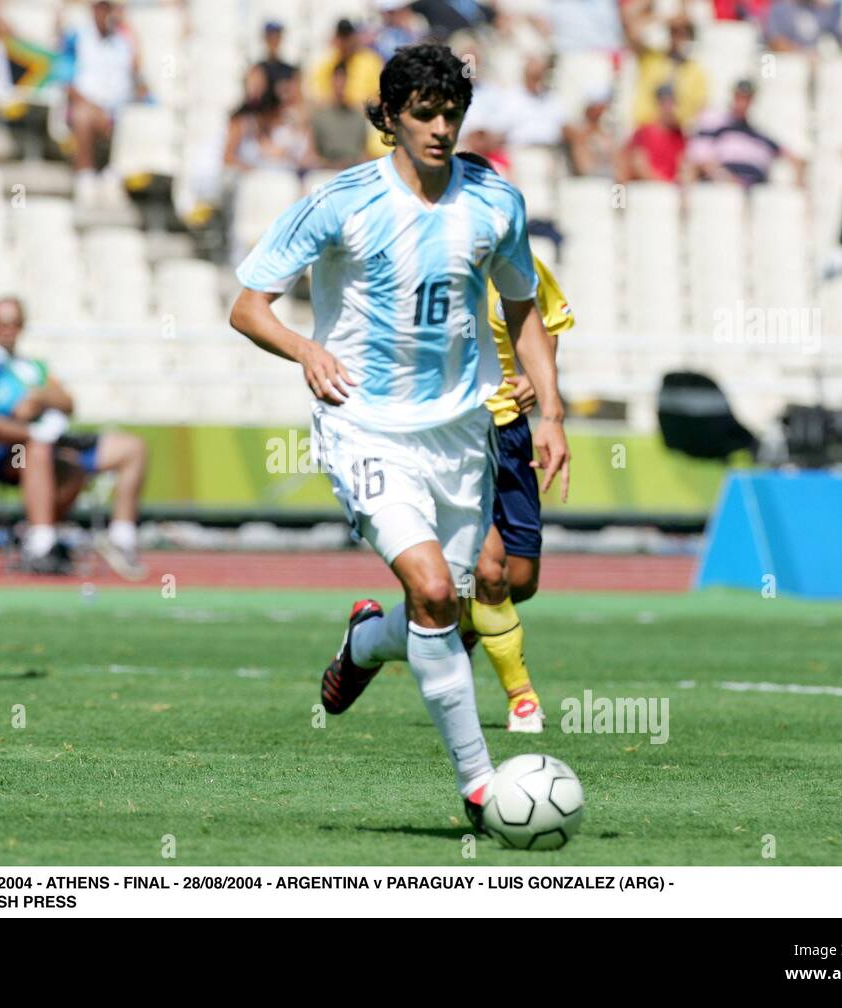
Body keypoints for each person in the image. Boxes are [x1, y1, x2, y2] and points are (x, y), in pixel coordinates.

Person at [229, 44, 569, 828]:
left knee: (439, 614)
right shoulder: (342, 201)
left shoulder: (495, 200)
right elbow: (248, 306)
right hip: (368, 426)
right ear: (388, 118)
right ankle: (482, 789)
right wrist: (308, 350)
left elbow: (523, 306)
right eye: (423, 113)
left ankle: (362, 644)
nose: (441, 127)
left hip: (461, 433)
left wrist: (550, 410)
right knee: (434, 589)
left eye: (452, 112)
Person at [455, 151, 574, 734]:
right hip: (457, 433)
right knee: (491, 570)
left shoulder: (519, 257)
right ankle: (521, 697)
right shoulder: (439, 262)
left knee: (519, 581)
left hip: (515, 430)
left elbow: (543, 329)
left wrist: (539, 387)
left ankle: (405, 635)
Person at [0, 296, 149, 578]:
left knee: (131, 449)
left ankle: (121, 537)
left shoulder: (34, 367)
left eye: (13, 323)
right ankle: (41, 544)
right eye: (1, 324)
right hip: (10, 452)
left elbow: (68, 402)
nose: (7, 330)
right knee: (37, 447)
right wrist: (28, 421)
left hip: (53, 442)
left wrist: (40, 397)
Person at [62, 0, 145, 206]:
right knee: (82, 115)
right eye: (104, 7)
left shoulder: (124, 40)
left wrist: (131, 33)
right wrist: (95, 109)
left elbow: (137, 76)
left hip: (119, 110)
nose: (108, 13)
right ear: (94, 9)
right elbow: (65, 80)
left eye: (112, 8)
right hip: (87, 107)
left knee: (138, 118)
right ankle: (85, 177)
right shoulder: (76, 36)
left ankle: (114, 176)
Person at [687, 78, 805, 187]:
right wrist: (728, 180)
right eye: (740, 97)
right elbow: (700, 159)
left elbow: (793, 158)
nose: (743, 102)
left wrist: (799, 179)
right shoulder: (715, 127)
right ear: (733, 97)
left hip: (756, 191)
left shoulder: (759, 135)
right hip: (724, 189)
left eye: (747, 98)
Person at [308, 60, 371, 169]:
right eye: (338, 79)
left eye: (344, 79)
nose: (340, 84)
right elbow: (312, 154)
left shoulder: (358, 116)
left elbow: (363, 152)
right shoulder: (320, 116)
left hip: (353, 170)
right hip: (327, 170)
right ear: (331, 81)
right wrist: (330, 164)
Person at [620, 82, 687, 182]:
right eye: (665, 103)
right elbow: (639, 165)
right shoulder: (643, 132)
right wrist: (664, 184)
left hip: (669, 191)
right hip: (650, 190)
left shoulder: (679, 134)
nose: (669, 108)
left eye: (672, 103)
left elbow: (683, 164)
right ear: (658, 104)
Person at [765, 0, 842, 55]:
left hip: (818, 62)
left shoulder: (823, 11)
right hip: (790, 64)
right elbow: (775, 42)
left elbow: (841, 37)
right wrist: (804, 55)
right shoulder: (780, 9)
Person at [566, 85, 616, 177]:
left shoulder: (606, 130)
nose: (603, 110)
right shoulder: (576, 129)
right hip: (589, 175)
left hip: (607, 173)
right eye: (600, 106)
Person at [253, 20, 297, 101]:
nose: (274, 41)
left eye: (277, 37)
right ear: (265, 39)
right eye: (271, 37)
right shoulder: (257, 69)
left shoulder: (290, 70)